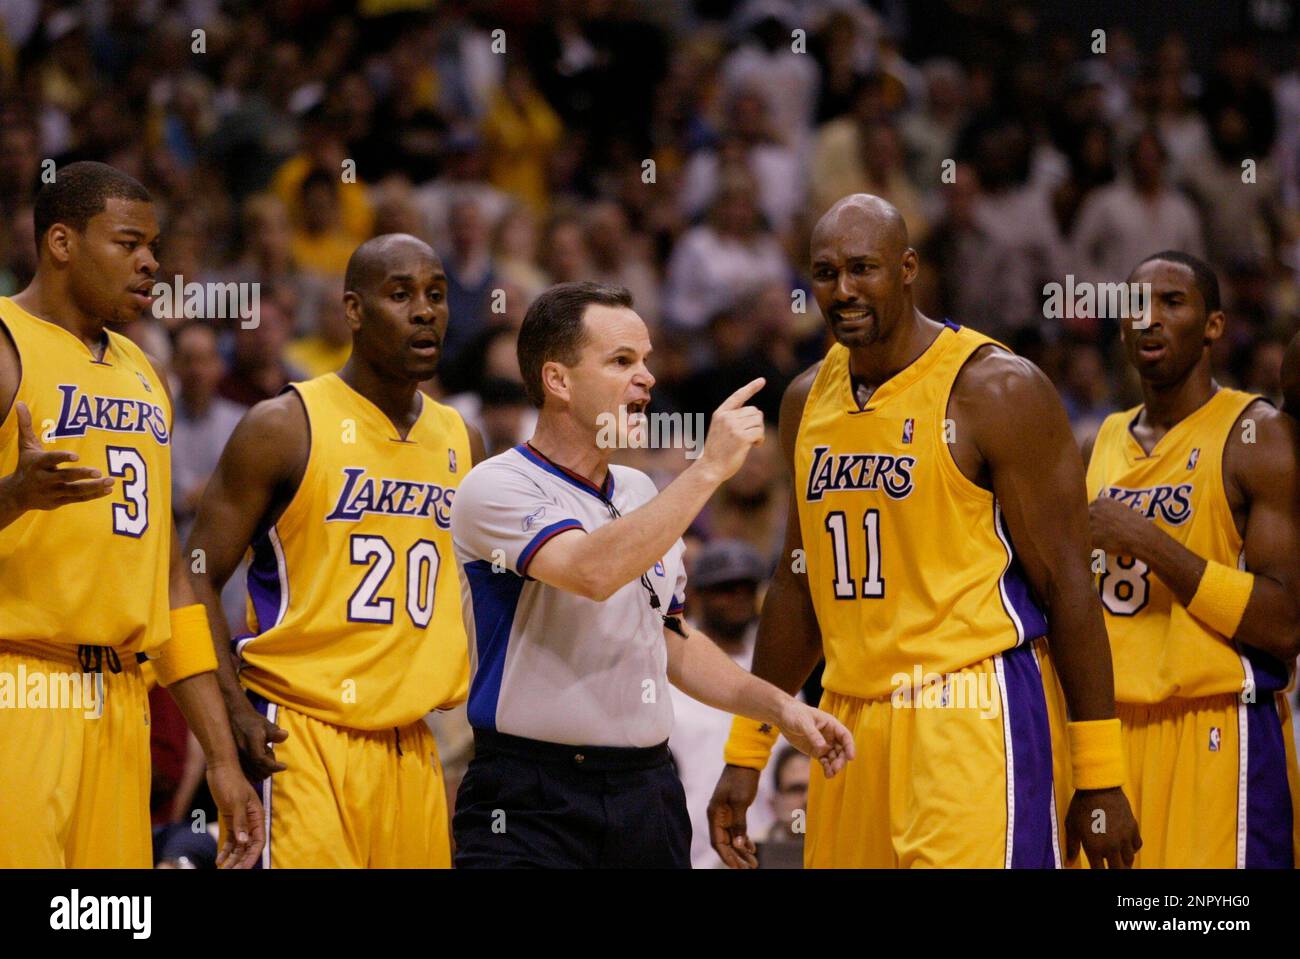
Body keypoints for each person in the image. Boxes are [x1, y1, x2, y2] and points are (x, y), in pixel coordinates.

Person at [708, 194, 1141, 869]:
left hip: (968, 707)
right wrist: (748, 747)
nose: (844, 290)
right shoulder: (805, 399)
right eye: (825, 273)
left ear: (907, 268)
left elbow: (1069, 587)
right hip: (846, 716)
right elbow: (799, 584)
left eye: (863, 268)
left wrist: (1100, 771)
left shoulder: (995, 389)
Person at [449, 280, 854, 869]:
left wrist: (780, 708)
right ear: (557, 380)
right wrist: (709, 469)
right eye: (621, 361)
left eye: (646, 360)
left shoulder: (642, 492)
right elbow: (591, 570)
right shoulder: (497, 485)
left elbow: (670, 642)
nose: (647, 378)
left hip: (647, 792)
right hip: (530, 798)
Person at [185, 234, 483, 867]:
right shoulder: (284, 425)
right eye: (400, 295)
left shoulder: (463, 438)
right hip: (300, 732)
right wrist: (232, 712)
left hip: (411, 740)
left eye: (436, 295)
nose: (425, 311)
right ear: (352, 310)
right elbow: (195, 575)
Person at [0, 161, 261, 868]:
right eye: (128, 243)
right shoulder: (5, 344)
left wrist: (220, 756)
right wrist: (12, 498)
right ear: (61, 242)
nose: (151, 263)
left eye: (154, 247)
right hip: (20, 684)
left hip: (123, 698)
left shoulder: (147, 373)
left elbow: (172, 581)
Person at [1085, 251, 1300, 867]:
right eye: (1135, 307)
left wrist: (1146, 540)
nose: (1148, 319)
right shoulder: (1099, 440)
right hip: (1116, 740)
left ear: (1213, 326)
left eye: (1171, 304)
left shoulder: (1257, 437)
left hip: (1220, 729)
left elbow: (1285, 623)